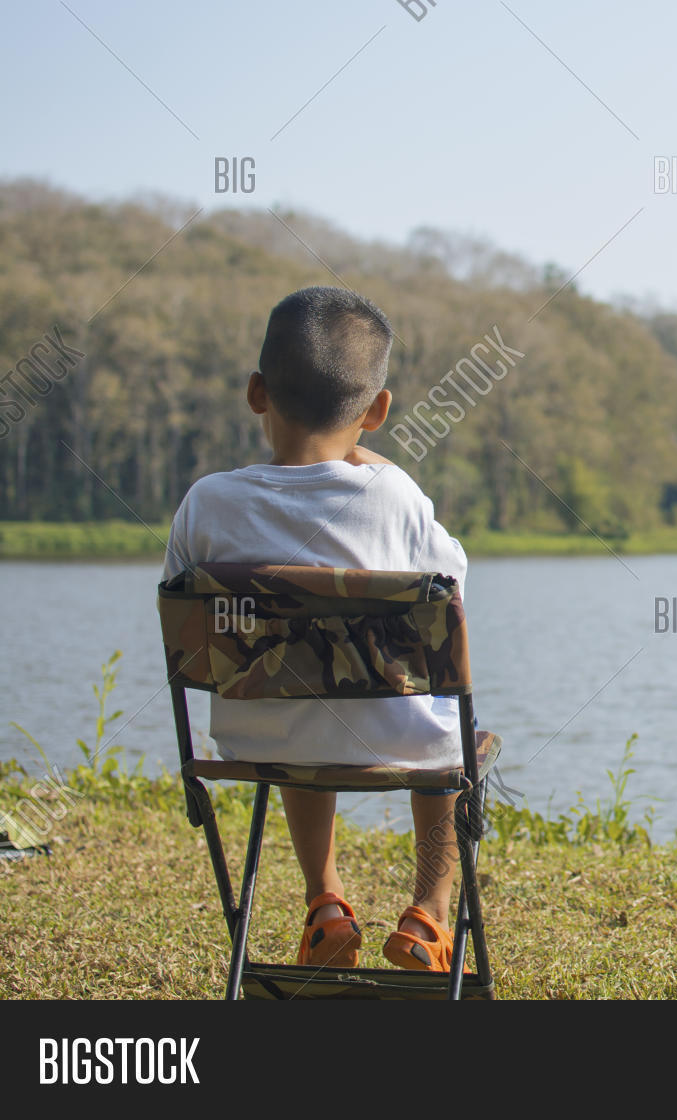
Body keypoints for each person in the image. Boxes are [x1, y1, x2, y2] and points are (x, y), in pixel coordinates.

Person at [163, 286, 468, 973]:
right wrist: (384, 469)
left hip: (258, 737)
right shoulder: (395, 497)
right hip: (400, 740)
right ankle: (429, 916)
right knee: (447, 731)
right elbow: (450, 589)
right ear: (379, 410)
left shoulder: (206, 502)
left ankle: (325, 905)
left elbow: (177, 594)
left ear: (257, 393)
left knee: (297, 693)